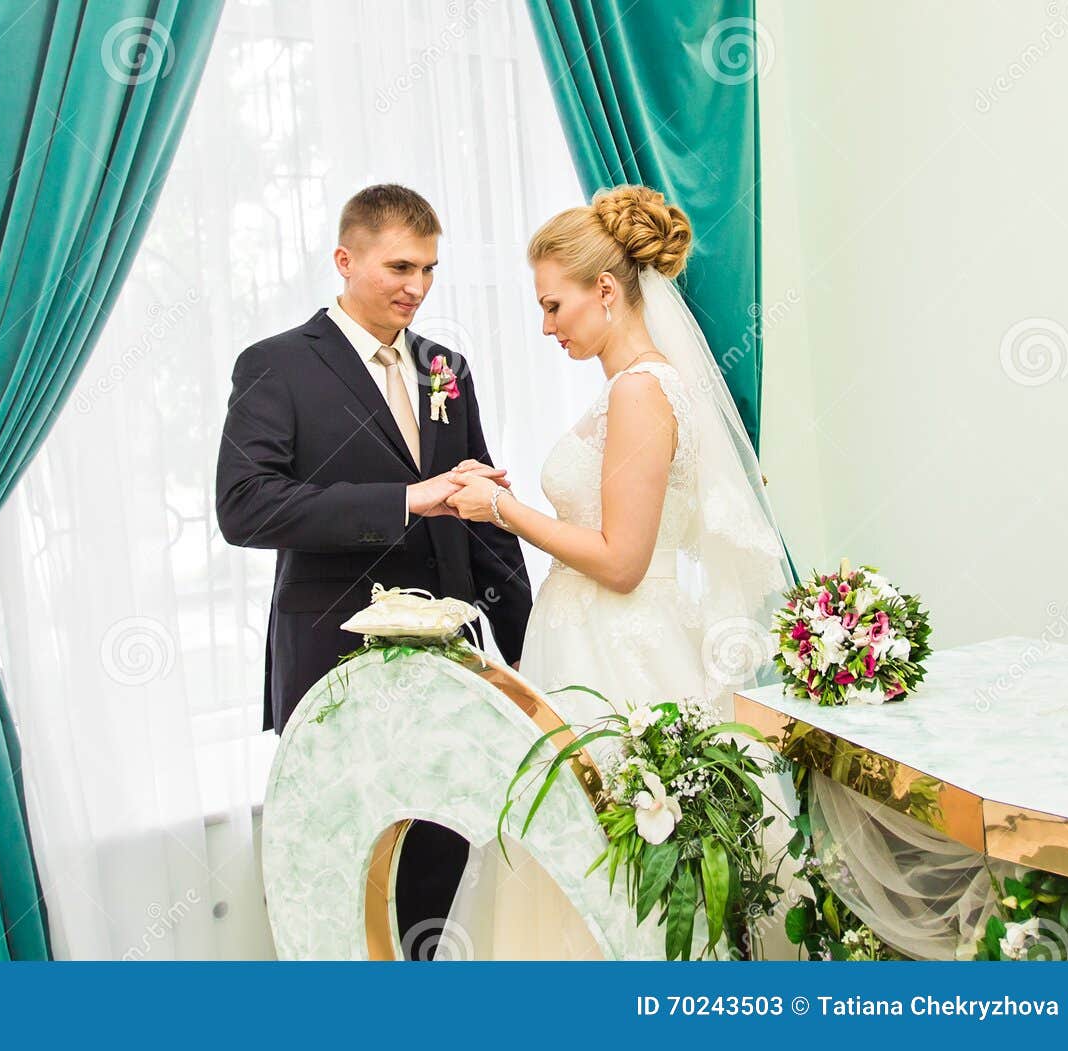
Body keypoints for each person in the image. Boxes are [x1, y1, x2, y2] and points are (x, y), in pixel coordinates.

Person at [442, 185, 794, 958]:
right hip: (591, 645)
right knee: (577, 869)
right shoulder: (636, 386)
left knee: (610, 879)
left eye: (553, 305)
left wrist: (501, 514)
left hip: (619, 654)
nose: (546, 327)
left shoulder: (640, 391)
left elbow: (623, 560)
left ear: (605, 290)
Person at [215, 184, 533, 959]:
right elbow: (245, 506)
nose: (417, 287)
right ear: (344, 259)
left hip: (448, 668)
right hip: (334, 667)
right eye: (399, 266)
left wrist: (524, 640)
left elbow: (477, 509)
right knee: (342, 882)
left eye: (428, 269)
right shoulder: (277, 365)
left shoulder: (445, 367)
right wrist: (403, 498)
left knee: (436, 869)